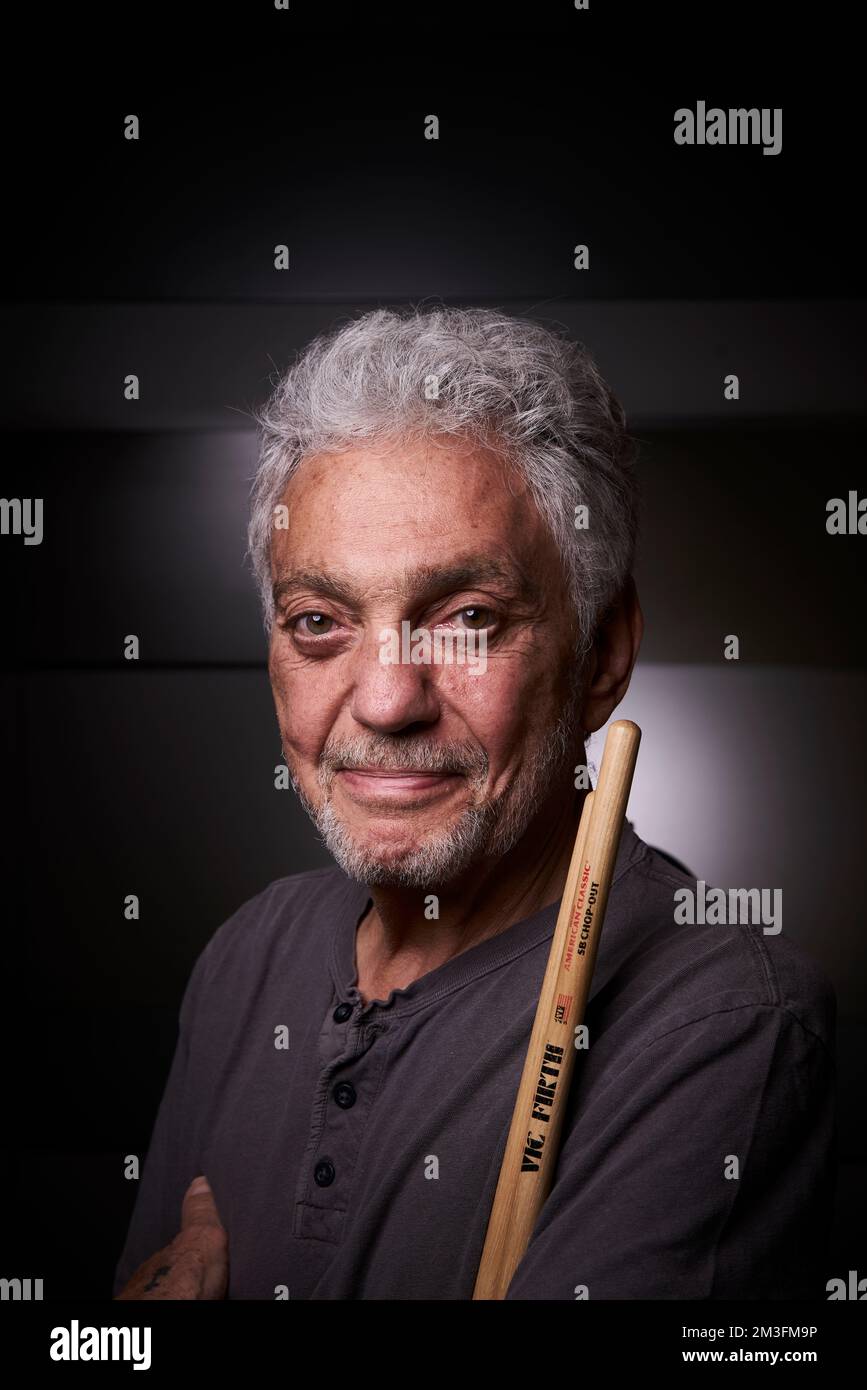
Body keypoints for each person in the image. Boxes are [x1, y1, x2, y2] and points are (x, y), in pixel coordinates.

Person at [113, 305, 835, 1301]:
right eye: (319, 621)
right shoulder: (250, 949)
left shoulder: (726, 1021)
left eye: (467, 619)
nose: (385, 698)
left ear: (603, 657)